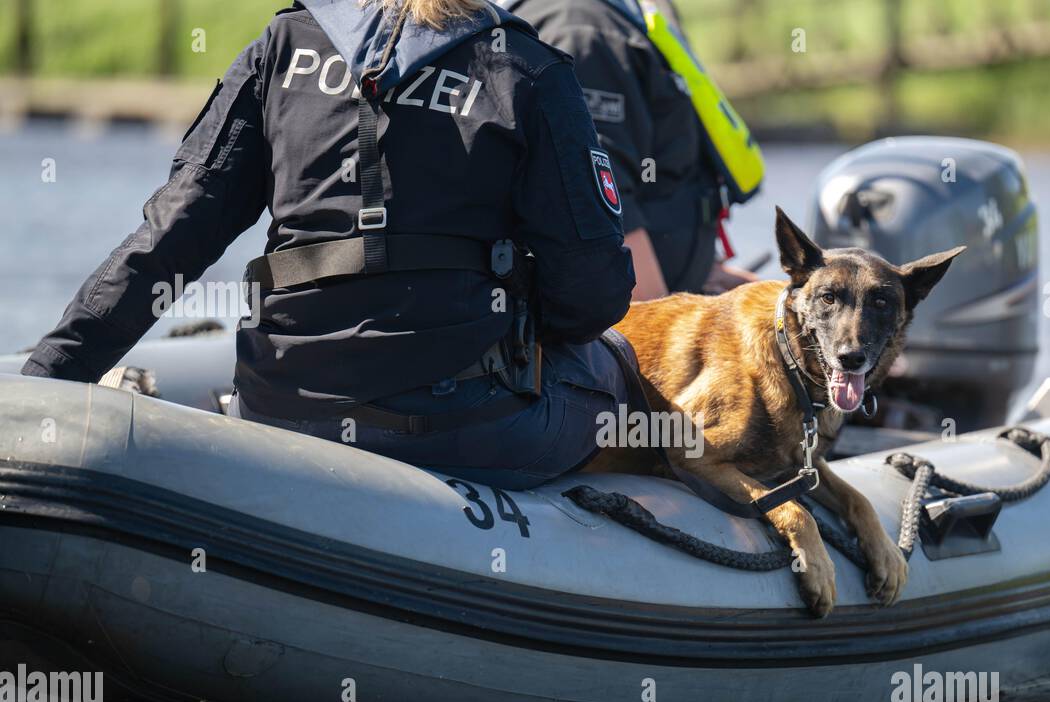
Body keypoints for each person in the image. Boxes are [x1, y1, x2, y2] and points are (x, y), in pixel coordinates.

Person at [20, 0, 635, 490]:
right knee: (615, 369)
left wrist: (46, 380)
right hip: (461, 426)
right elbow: (592, 293)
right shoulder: (528, 69)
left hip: (280, 406)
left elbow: (171, 236)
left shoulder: (284, 45)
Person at [504, 0, 764, 299]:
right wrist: (667, 327)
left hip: (681, 291)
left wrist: (708, 271)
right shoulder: (583, 28)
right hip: (639, 320)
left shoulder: (627, 12)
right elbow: (604, 206)